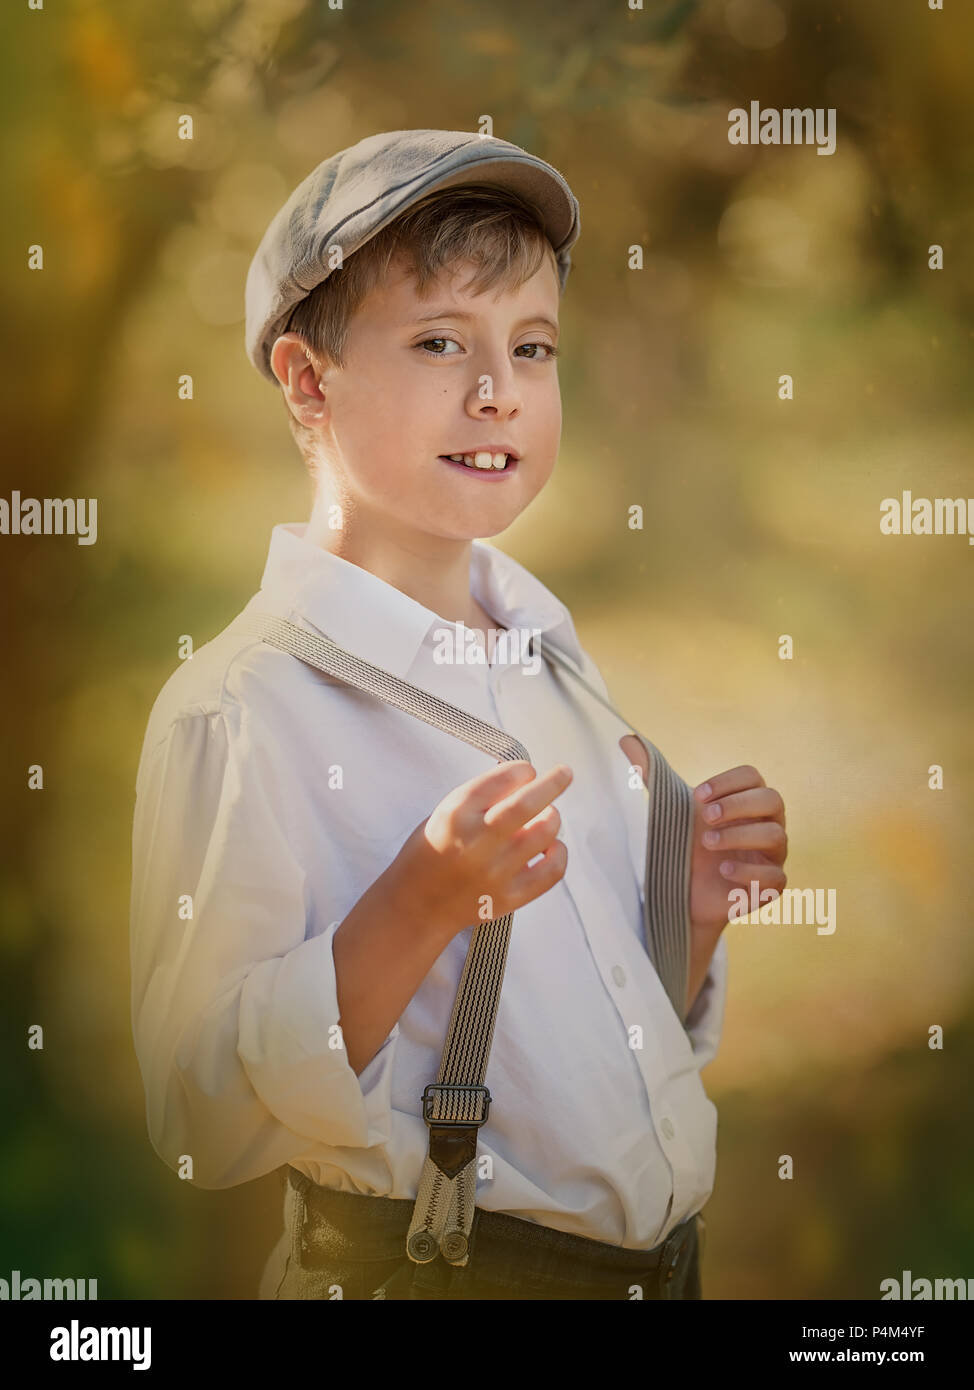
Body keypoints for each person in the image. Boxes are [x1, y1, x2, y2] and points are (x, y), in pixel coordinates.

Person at [129, 129, 788, 1301]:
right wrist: (416, 902)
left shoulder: (547, 654)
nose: (496, 391)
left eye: (529, 348)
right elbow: (198, 1114)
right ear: (307, 380)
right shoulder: (242, 709)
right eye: (439, 341)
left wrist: (684, 921)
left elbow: (580, 1037)